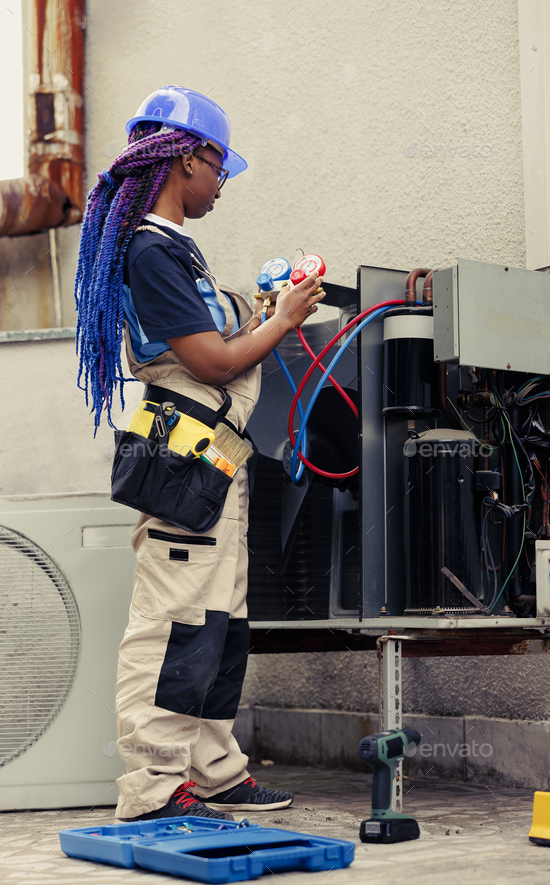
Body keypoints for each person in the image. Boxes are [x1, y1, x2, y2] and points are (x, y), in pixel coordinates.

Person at [75, 86, 324, 822]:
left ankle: (214, 770)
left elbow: (214, 341)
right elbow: (212, 361)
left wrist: (263, 305)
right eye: (220, 166)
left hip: (213, 462)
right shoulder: (152, 251)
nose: (223, 180)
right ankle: (153, 788)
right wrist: (279, 322)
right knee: (173, 624)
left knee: (219, 622)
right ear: (189, 159)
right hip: (185, 460)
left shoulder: (177, 251)